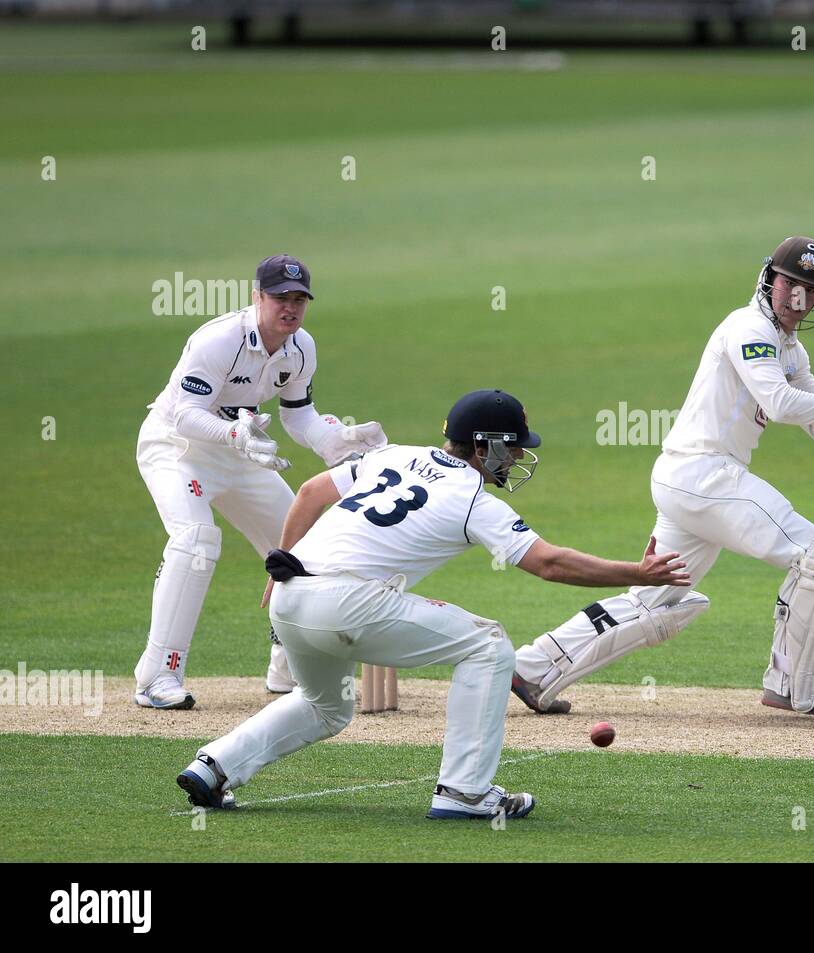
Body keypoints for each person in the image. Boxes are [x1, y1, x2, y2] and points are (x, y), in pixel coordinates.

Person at [176, 389, 690, 819]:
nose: (515, 459)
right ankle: (465, 792)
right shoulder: (472, 498)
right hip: (350, 601)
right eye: (510, 449)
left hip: (289, 596)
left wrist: (280, 560)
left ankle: (214, 766)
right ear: (486, 445)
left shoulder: (392, 454)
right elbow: (549, 563)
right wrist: (637, 573)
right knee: (489, 646)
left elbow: (310, 491)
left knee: (326, 706)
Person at [510, 237, 814, 717]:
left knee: (657, 600)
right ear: (769, 280)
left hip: (694, 481)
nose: (796, 297)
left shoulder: (792, 351)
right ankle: (793, 685)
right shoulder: (747, 328)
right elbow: (780, 405)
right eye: (790, 283)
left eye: (810, 289)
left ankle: (532, 667)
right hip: (704, 475)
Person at [134, 254, 386, 709]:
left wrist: (336, 442)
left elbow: (298, 416)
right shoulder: (219, 340)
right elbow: (185, 416)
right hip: (178, 449)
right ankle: (157, 676)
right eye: (279, 298)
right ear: (258, 298)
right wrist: (233, 432)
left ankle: (288, 667)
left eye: (298, 299)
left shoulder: (301, 346)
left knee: (299, 545)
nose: (289, 307)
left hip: (242, 451)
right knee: (196, 542)